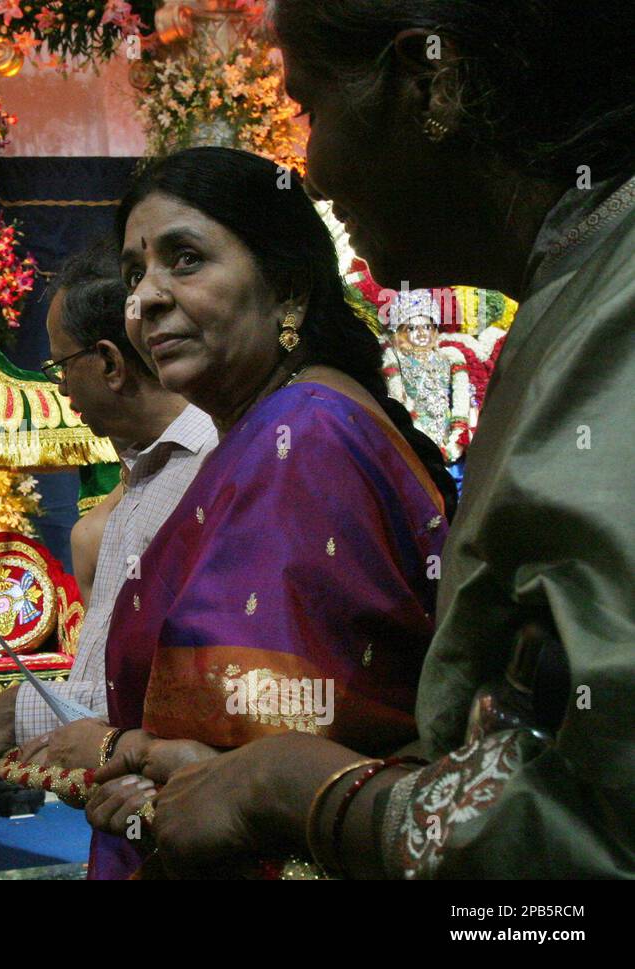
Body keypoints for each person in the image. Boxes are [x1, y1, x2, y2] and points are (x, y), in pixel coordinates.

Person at [128, 0, 635, 879]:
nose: (313, 171)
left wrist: (300, 789)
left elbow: (585, 823)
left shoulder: (311, 429)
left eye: (311, 107)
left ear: (429, 83)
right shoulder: (572, 293)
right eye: (134, 273)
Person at [69, 146, 458, 879]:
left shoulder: (305, 432)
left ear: (287, 289)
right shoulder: (262, 430)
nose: (144, 299)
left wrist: (125, 757)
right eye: (134, 272)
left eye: (184, 259)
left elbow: (267, 771)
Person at [0, 241, 217, 781]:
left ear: (111, 363)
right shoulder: (145, 476)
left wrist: (23, 712)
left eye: (62, 366)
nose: (62, 385)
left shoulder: (211, 473)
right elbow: (110, 675)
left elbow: (182, 692)